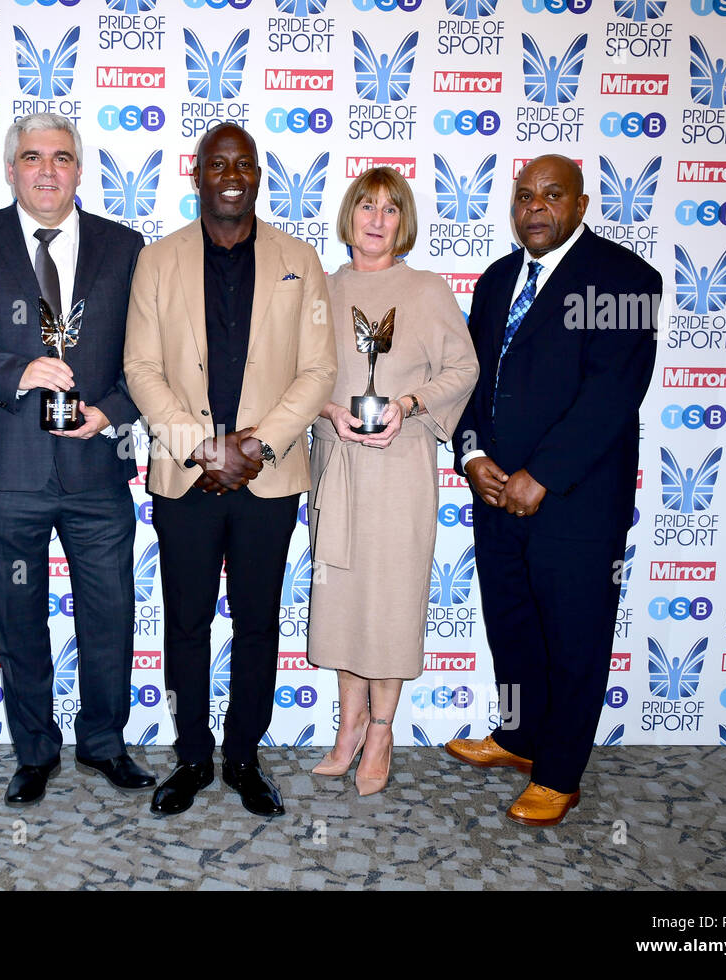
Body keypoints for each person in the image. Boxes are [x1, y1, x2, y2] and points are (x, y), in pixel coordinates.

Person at [0, 113, 154, 807]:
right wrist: (19, 371)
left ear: (80, 170)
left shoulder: (125, 247)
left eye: (61, 157)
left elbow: (151, 355)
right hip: (8, 469)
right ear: (11, 169)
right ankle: (34, 749)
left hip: (97, 465)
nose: (47, 170)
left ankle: (106, 744)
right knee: (17, 611)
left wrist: (111, 412)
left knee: (110, 611)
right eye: (32, 157)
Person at [124, 123, 336, 817]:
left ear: (257, 175)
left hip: (266, 478)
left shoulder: (299, 258)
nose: (232, 173)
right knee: (185, 622)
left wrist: (257, 446)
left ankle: (243, 755)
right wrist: (200, 447)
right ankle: (190, 755)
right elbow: (141, 368)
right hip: (186, 477)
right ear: (198, 173)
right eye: (219, 163)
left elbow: (318, 370)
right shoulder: (157, 261)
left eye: (244, 163)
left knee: (257, 620)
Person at [448, 154, 661, 826]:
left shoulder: (625, 278)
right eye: (523, 196)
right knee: (511, 627)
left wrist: (544, 474)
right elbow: (471, 382)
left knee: (574, 639)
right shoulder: (495, 280)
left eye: (551, 195)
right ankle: (517, 737)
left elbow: (613, 392)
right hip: (495, 497)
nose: (534, 208)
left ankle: (560, 773)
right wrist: (472, 453)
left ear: (580, 204)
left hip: (575, 504)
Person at [306, 167, 478, 795]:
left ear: (403, 223)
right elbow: (296, 374)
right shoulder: (317, 289)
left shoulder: (428, 290)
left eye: (391, 209)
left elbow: (463, 368)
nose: (377, 219)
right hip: (338, 463)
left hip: (401, 466)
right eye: (367, 206)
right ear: (349, 214)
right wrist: (327, 410)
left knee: (391, 599)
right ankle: (347, 727)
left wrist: (407, 403)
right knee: (345, 599)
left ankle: (381, 732)